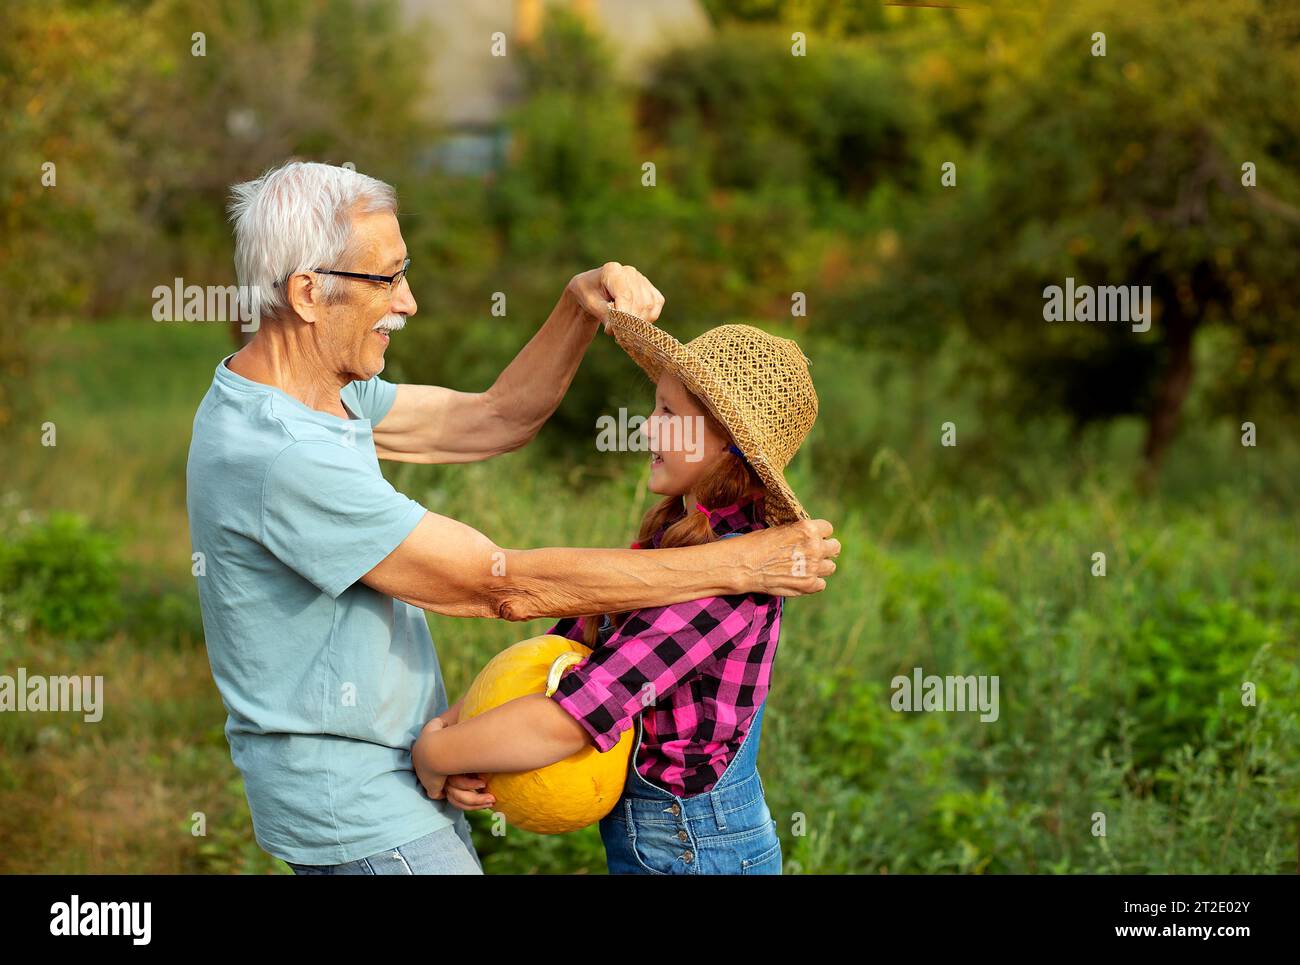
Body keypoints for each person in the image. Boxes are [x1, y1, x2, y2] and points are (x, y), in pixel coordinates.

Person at [186, 161, 840, 875]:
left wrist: (576, 305)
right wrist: (745, 563)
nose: (409, 301)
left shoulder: (323, 394)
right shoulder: (282, 454)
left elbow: (493, 416)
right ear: (308, 293)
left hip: (393, 781)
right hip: (358, 800)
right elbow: (500, 587)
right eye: (388, 278)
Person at [412, 313, 819, 874]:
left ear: (729, 445)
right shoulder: (680, 545)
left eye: (670, 415)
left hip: (700, 849)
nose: (648, 429)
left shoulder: (730, 585)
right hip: (666, 842)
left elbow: (574, 717)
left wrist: (437, 753)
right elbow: (563, 651)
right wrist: (465, 730)